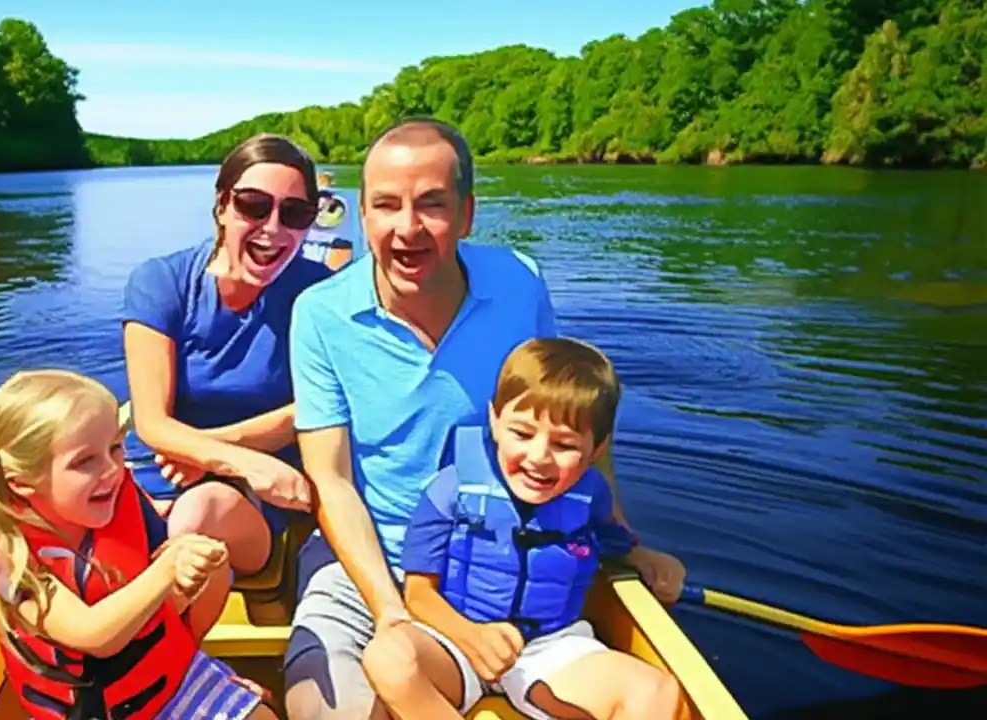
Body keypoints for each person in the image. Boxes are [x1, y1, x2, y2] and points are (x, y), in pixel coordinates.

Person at [283, 117, 688, 719]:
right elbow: (333, 482)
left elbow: (569, 420)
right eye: (387, 206)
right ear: (362, 215)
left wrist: (626, 542)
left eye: (432, 205)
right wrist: (391, 610)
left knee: (657, 697)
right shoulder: (318, 314)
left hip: (513, 556)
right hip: (371, 562)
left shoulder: (518, 282)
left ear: (468, 214)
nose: (407, 228)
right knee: (331, 711)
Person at [365, 337, 681, 720]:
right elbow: (418, 594)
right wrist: (473, 637)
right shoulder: (450, 487)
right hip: (456, 641)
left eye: (564, 444)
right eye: (523, 434)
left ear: (597, 449)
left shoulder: (591, 496)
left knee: (656, 691)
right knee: (388, 655)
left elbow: (612, 539)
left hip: (551, 648)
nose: (539, 458)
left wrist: (647, 558)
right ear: (495, 421)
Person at [0, 369, 277, 720]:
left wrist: (189, 558)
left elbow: (160, 552)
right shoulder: (11, 556)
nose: (111, 469)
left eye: (115, 448)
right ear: (22, 483)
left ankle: (197, 669)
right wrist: (168, 569)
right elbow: (93, 635)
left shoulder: (115, 494)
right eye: (84, 461)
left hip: (168, 680)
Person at [121, 133, 329, 586]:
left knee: (198, 515)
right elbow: (151, 422)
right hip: (156, 474)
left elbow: (322, 408)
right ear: (222, 206)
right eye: (254, 205)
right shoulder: (163, 282)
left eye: (294, 213)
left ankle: (148, 637)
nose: (273, 228)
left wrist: (223, 459)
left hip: (251, 492)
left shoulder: (320, 294)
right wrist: (222, 455)